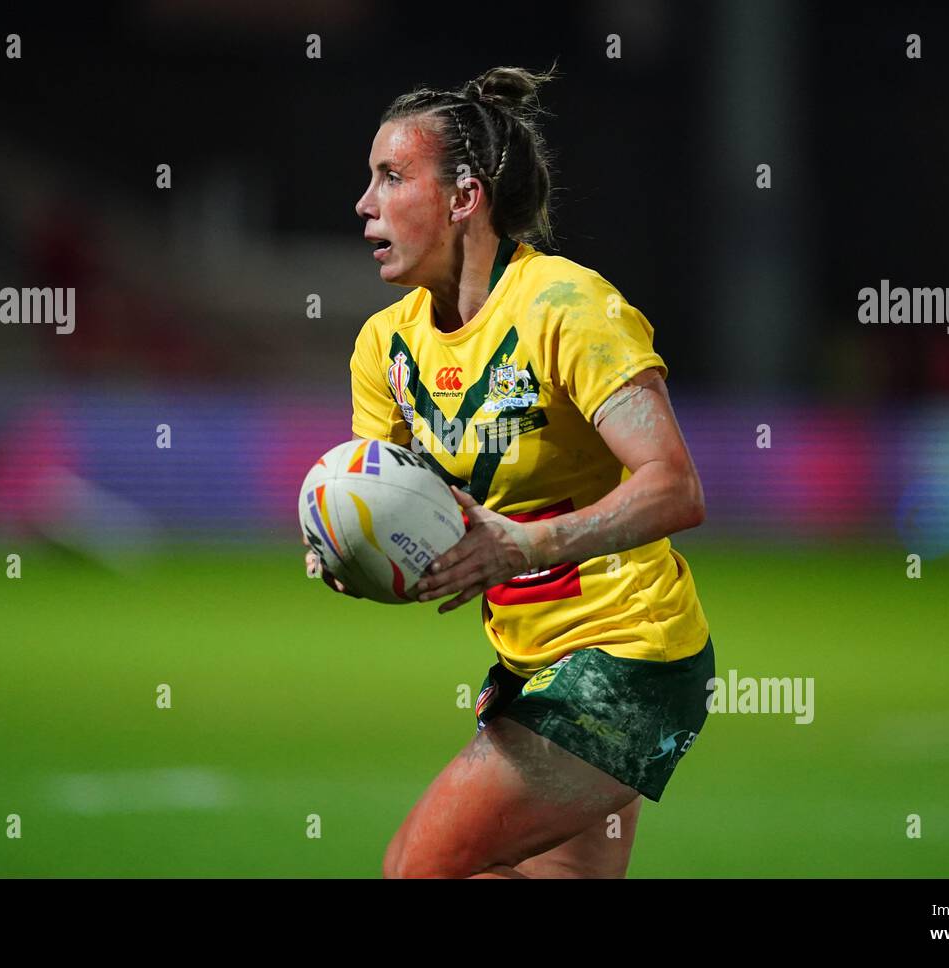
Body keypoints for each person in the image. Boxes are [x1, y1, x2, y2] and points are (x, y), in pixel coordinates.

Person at [305, 66, 714, 878]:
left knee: (414, 870)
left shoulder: (569, 308)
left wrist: (523, 546)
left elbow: (675, 486)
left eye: (391, 177)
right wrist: (346, 549)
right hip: (530, 663)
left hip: (630, 658)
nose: (365, 203)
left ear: (465, 197)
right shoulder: (385, 347)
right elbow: (382, 492)